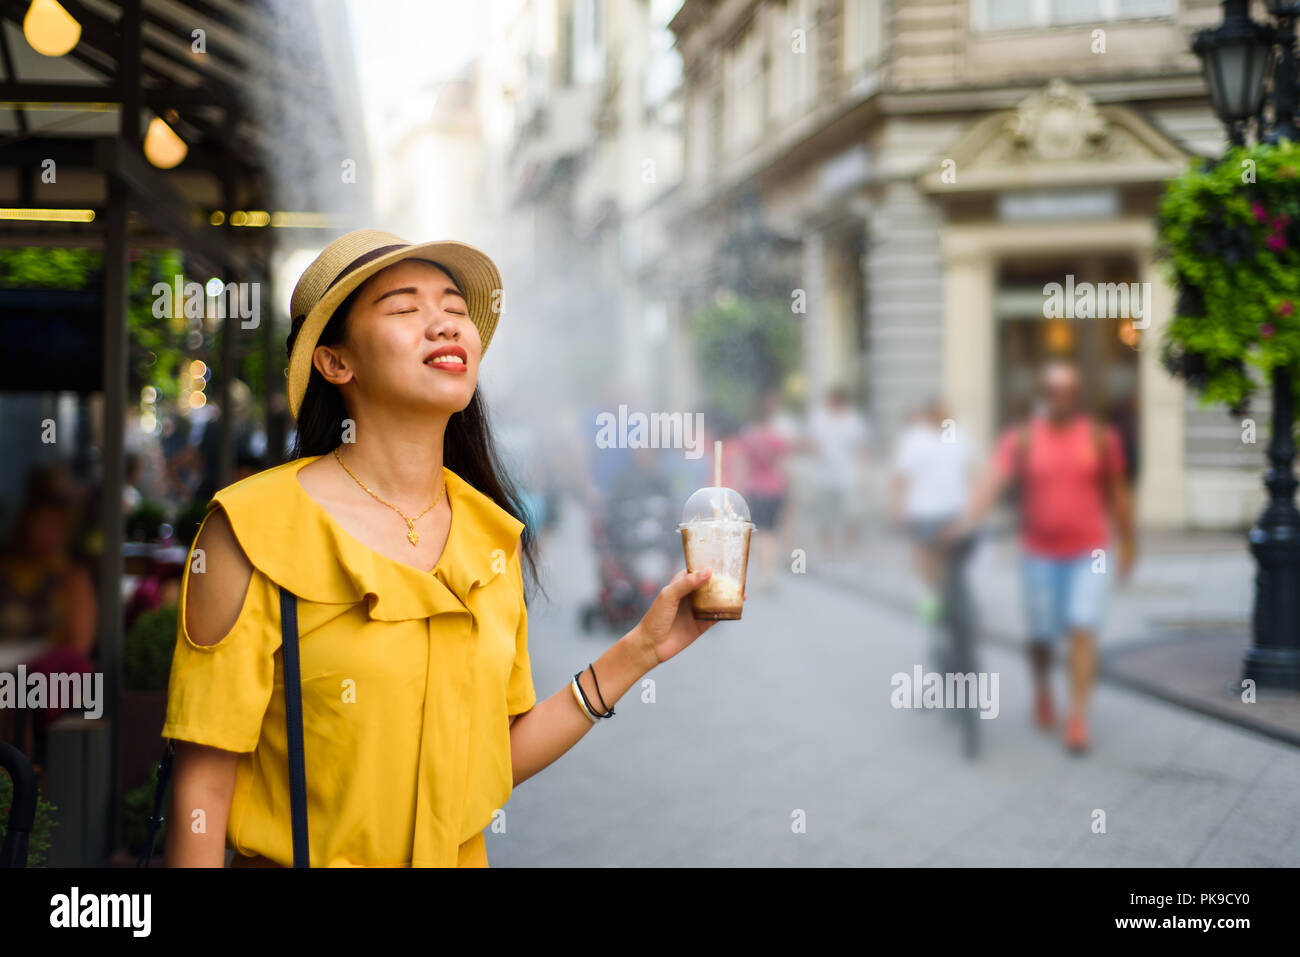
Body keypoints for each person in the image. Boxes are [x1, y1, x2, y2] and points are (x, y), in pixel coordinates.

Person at [162, 230, 720, 868]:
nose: (443, 326)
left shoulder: (492, 536)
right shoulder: (253, 529)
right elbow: (202, 788)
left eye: (455, 311)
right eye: (404, 309)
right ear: (335, 362)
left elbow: (491, 760)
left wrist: (641, 651)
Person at [948, 359, 1135, 754]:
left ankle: (1077, 717)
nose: (1060, 399)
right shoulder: (1022, 438)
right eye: (1052, 391)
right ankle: (1044, 689)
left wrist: (1130, 543)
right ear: (1043, 394)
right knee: (1041, 638)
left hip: (1090, 551)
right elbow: (991, 483)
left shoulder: (1100, 437)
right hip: (1038, 554)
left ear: (1077, 396)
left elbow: (1118, 494)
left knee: (1082, 626)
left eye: (1067, 392)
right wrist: (965, 523)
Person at [889, 396, 974, 623]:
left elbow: (969, 470)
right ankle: (930, 597)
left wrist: (972, 506)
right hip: (923, 508)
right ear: (930, 413)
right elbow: (902, 475)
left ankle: (945, 594)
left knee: (947, 557)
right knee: (925, 554)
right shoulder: (916, 439)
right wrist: (897, 505)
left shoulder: (957, 435)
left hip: (953, 508)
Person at [738, 390, 793, 593]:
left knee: (760, 533)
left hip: (757, 488)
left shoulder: (749, 438)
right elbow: (784, 465)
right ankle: (771, 571)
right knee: (773, 532)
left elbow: (743, 464)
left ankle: (766, 572)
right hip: (776, 488)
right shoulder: (777, 439)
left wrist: (741, 488)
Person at [807, 385, 870, 561]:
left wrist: (863, 473)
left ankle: (850, 548)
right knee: (824, 515)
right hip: (824, 475)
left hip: (848, 475)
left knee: (852, 514)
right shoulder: (819, 418)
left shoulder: (853, 420)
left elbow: (861, 448)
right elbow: (812, 442)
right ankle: (827, 549)